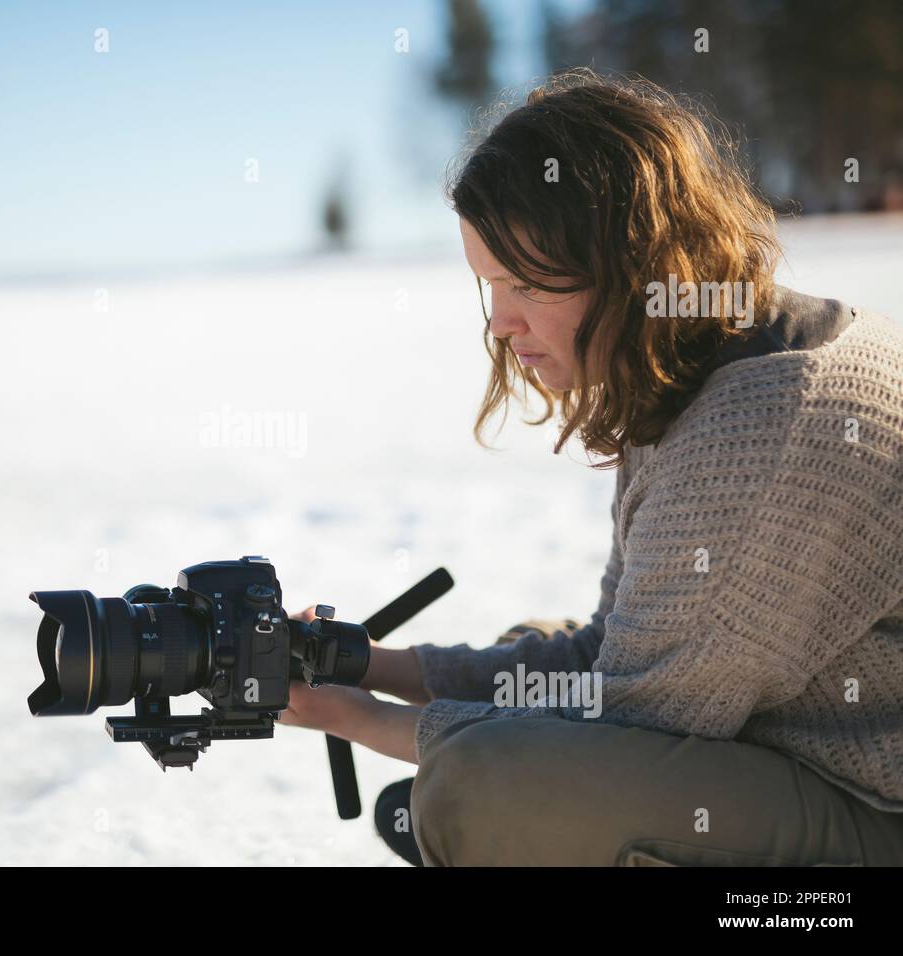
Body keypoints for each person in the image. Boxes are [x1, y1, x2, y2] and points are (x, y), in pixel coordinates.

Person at [278, 69, 903, 866]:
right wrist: (369, 665)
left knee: (480, 783)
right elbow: (605, 659)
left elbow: (634, 720)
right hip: (791, 752)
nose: (503, 323)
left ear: (632, 262)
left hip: (874, 804)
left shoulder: (761, 432)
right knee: (521, 675)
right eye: (489, 285)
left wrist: (363, 721)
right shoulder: (709, 352)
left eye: (527, 284)